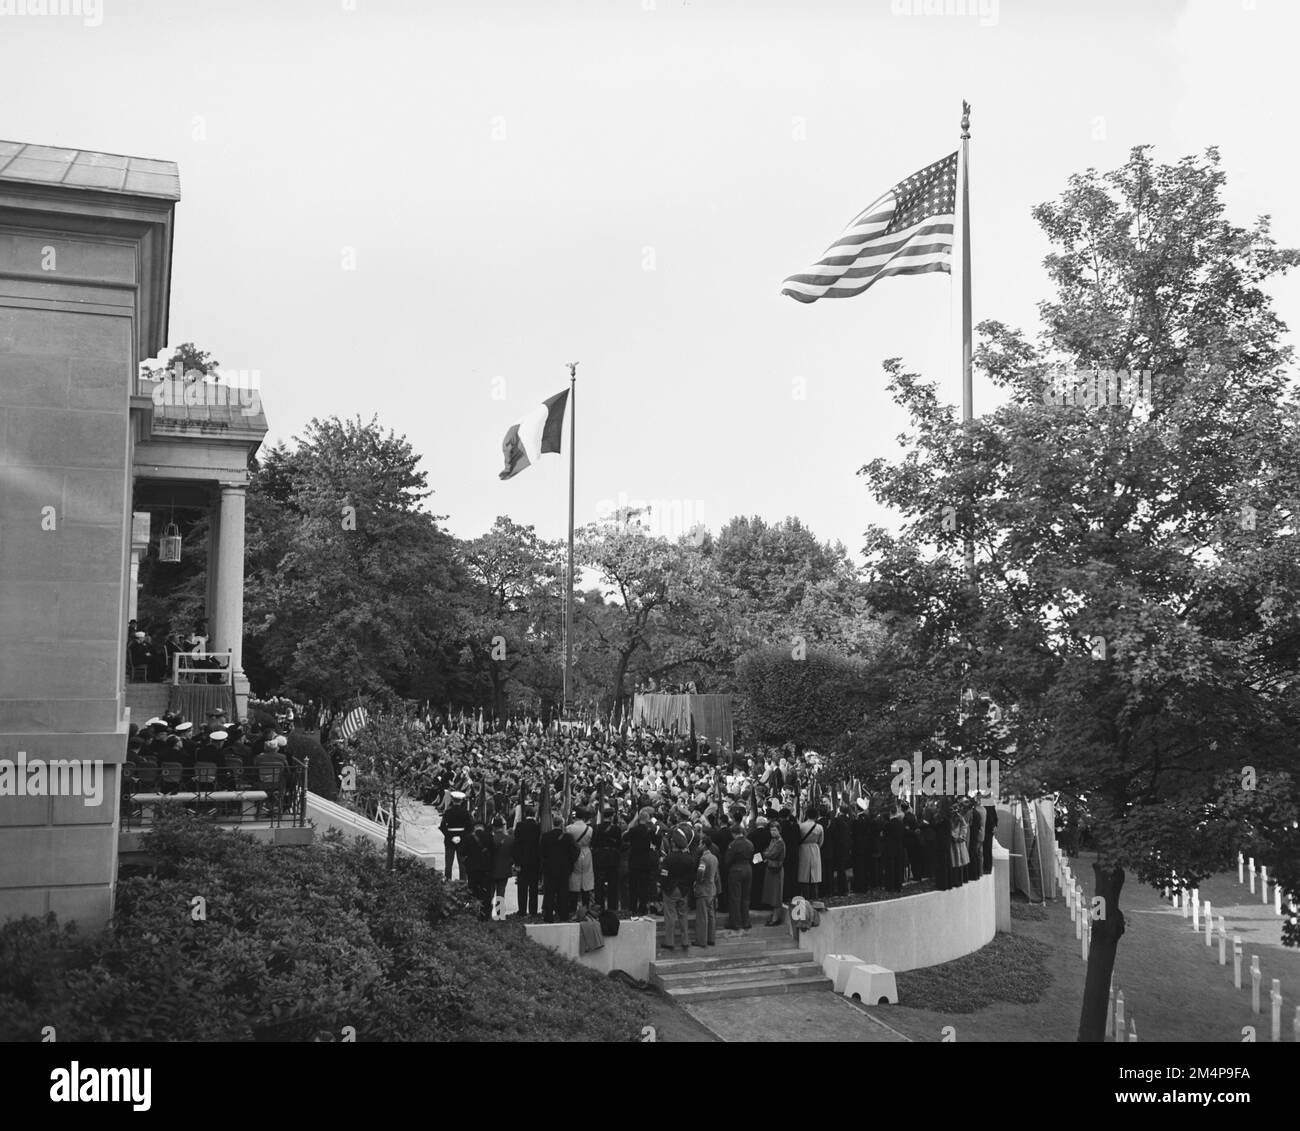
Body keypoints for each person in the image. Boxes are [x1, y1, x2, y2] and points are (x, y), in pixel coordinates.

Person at [659, 824, 697, 951]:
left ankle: (669, 941)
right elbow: (692, 876)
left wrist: (663, 886)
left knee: (670, 916)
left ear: (673, 843)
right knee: (683, 916)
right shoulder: (689, 859)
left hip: (670, 889)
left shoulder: (668, 859)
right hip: (684, 890)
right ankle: (685, 940)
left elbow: (664, 875)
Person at [540, 816, 578, 923]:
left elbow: (542, 852)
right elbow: (574, 852)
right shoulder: (568, 837)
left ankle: (548, 915)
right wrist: (570, 864)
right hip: (564, 868)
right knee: (563, 892)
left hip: (550, 868)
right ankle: (563, 915)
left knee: (549, 892)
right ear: (562, 824)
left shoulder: (545, 836)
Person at [625, 806, 659, 916]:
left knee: (633, 886)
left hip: (634, 861)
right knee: (644, 886)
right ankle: (642, 908)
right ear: (648, 819)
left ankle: (633, 908)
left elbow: (625, 838)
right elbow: (657, 843)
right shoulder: (650, 831)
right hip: (645, 861)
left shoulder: (633, 830)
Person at [724, 818, 754, 930]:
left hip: (736, 869)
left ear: (733, 833)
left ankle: (735, 922)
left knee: (735, 897)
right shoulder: (749, 843)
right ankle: (746, 921)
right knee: (746, 897)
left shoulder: (733, 844)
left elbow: (728, 860)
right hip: (748, 869)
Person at [511, 804, 541, 916]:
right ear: (534, 815)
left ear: (525, 814)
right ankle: (533, 911)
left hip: (522, 862)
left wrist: (516, 862)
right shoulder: (538, 826)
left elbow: (516, 845)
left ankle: (522, 911)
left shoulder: (520, 826)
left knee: (522, 888)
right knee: (533, 888)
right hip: (535, 862)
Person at [566, 809, 596, 913]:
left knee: (574, 878)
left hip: (574, 853)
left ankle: (572, 908)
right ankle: (586, 907)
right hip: (586, 852)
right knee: (586, 878)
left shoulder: (569, 828)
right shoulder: (590, 829)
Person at [591, 811, 621, 911]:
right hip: (612, 859)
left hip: (599, 859)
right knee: (613, 885)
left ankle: (599, 907)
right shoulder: (616, 829)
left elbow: (593, 843)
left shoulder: (596, 828)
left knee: (599, 885)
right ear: (612, 817)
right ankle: (613, 908)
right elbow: (619, 844)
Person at [693, 834, 719, 947]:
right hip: (712, 889)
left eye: (700, 843)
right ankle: (711, 938)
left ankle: (701, 940)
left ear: (704, 845)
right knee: (711, 915)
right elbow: (717, 875)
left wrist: (698, 881)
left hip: (703, 890)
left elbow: (700, 872)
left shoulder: (703, 858)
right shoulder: (714, 858)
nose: (699, 845)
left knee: (702, 916)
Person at [440, 791, 472, 881]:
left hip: (450, 840)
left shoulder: (448, 812)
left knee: (448, 864)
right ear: (461, 801)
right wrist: (462, 837)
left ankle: (447, 882)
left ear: (452, 800)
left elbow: (442, 827)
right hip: (462, 840)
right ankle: (462, 883)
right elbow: (470, 827)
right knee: (462, 865)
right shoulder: (465, 812)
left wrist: (451, 837)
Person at [465, 820, 494, 919]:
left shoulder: (468, 837)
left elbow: (462, 852)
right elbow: (494, 851)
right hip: (485, 869)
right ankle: (485, 914)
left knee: (473, 891)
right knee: (486, 892)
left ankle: (474, 913)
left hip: (472, 870)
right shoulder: (489, 836)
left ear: (474, 827)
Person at [490, 815, 515, 920]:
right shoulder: (509, 839)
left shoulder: (490, 839)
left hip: (491, 870)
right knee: (501, 892)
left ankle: (487, 913)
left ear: (493, 827)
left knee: (490, 892)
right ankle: (500, 915)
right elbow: (513, 855)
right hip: (504, 869)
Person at [796, 805, 824, 900]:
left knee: (804, 874)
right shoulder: (819, 827)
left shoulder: (801, 826)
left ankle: (805, 896)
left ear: (806, 815)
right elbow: (821, 842)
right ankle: (814, 897)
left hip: (803, 849)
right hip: (815, 848)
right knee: (814, 876)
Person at [762, 820, 787, 925]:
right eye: (771, 830)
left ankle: (776, 918)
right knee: (772, 893)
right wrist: (766, 853)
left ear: (779, 830)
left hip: (776, 870)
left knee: (776, 894)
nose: (772, 832)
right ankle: (774, 916)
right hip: (771, 869)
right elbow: (767, 851)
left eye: (774, 830)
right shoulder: (773, 841)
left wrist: (766, 854)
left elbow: (771, 854)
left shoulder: (780, 842)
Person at [830, 802, 853, 896]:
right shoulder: (849, 820)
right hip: (847, 847)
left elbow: (833, 832)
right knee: (843, 869)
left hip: (838, 847)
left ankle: (841, 890)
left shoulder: (837, 820)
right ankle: (845, 889)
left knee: (840, 869)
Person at [749, 815, 772, 910]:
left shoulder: (751, 835)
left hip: (755, 859)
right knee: (766, 882)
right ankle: (766, 903)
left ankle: (755, 902)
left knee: (756, 882)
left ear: (756, 824)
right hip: (767, 859)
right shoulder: (769, 834)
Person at [967, 796, 985, 881]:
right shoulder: (981, 811)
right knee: (978, 855)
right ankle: (978, 873)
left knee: (973, 854)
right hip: (979, 835)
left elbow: (970, 824)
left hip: (974, 836)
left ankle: (974, 874)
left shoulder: (973, 813)